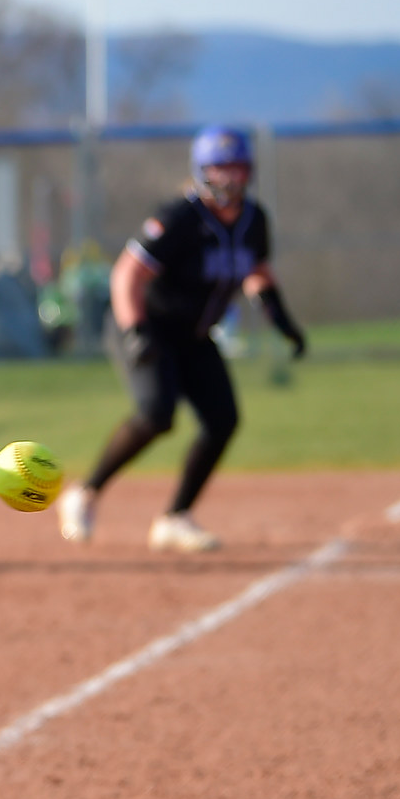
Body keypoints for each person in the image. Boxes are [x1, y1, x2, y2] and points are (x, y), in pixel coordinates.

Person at [57, 126, 306, 552]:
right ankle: (84, 494)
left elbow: (257, 271)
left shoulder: (254, 220)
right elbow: (127, 274)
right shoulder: (179, 218)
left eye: (237, 167)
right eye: (220, 168)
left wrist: (281, 318)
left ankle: (175, 518)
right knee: (157, 414)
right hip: (147, 325)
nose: (230, 177)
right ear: (202, 171)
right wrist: (135, 332)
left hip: (195, 335)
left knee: (223, 420)